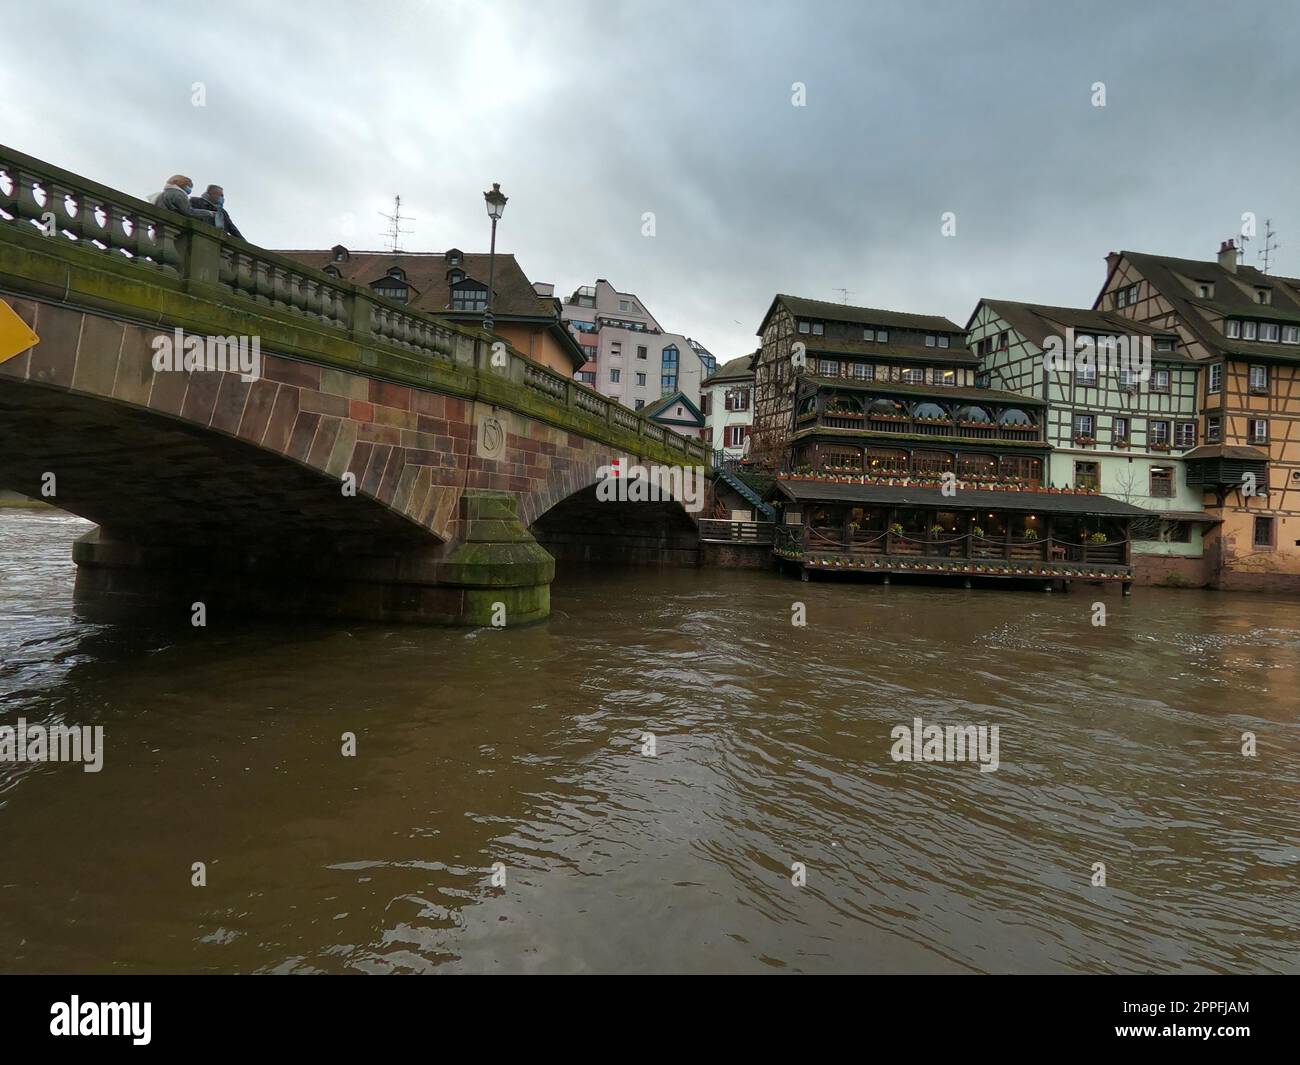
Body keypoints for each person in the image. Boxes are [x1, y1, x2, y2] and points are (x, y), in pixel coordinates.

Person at [150, 174, 216, 225]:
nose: (190, 189)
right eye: (189, 186)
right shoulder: (179, 194)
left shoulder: (162, 194)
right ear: (183, 184)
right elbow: (189, 212)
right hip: (171, 225)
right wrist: (209, 213)